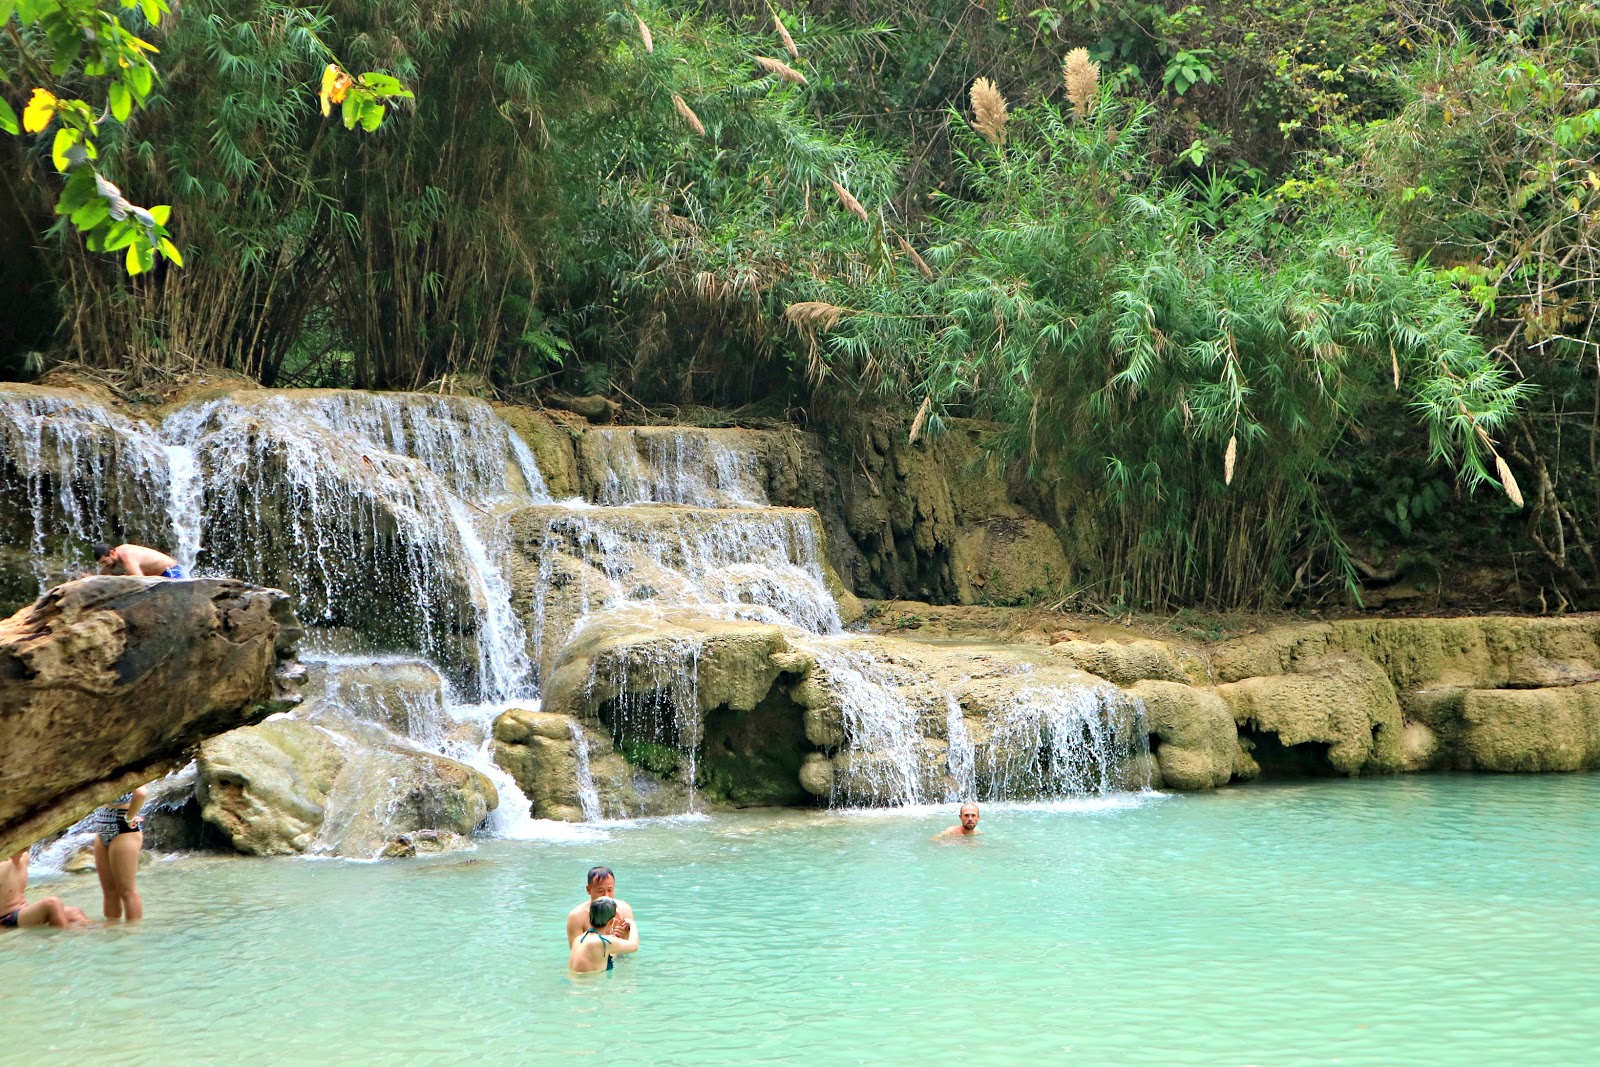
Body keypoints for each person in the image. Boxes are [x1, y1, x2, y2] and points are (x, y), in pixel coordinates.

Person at [92, 786, 146, 921]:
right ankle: (112, 933)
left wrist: (129, 817)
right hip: (102, 829)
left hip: (123, 828)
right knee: (109, 892)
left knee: (127, 891)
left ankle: (132, 935)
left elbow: (141, 793)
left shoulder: (128, 766)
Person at [2, 850, 90, 931]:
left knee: (75, 912)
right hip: (6, 919)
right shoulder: (3, 866)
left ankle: (96, 932)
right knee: (52, 903)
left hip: (23, 910)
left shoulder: (25, 857)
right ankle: (62, 942)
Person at [566, 866, 636, 947]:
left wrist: (625, 937)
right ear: (588, 890)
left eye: (610, 890)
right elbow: (576, 951)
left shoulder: (624, 909)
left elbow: (629, 945)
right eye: (600, 891)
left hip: (620, 957)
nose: (606, 896)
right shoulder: (577, 916)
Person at [568, 897, 639, 974]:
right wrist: (632, 924)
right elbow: (634, 946)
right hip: (592, 984)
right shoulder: (604, 943)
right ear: (611, 921)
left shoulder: (578, 939)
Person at [91, 541, 184, 579]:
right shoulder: (118, 551)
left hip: (172, 573)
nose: (104, 565)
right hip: (167, 573)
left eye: (104, 561)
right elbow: (108, 567)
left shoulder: (127, 558)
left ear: (112, 553)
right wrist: (94, 579)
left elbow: (140, 581)